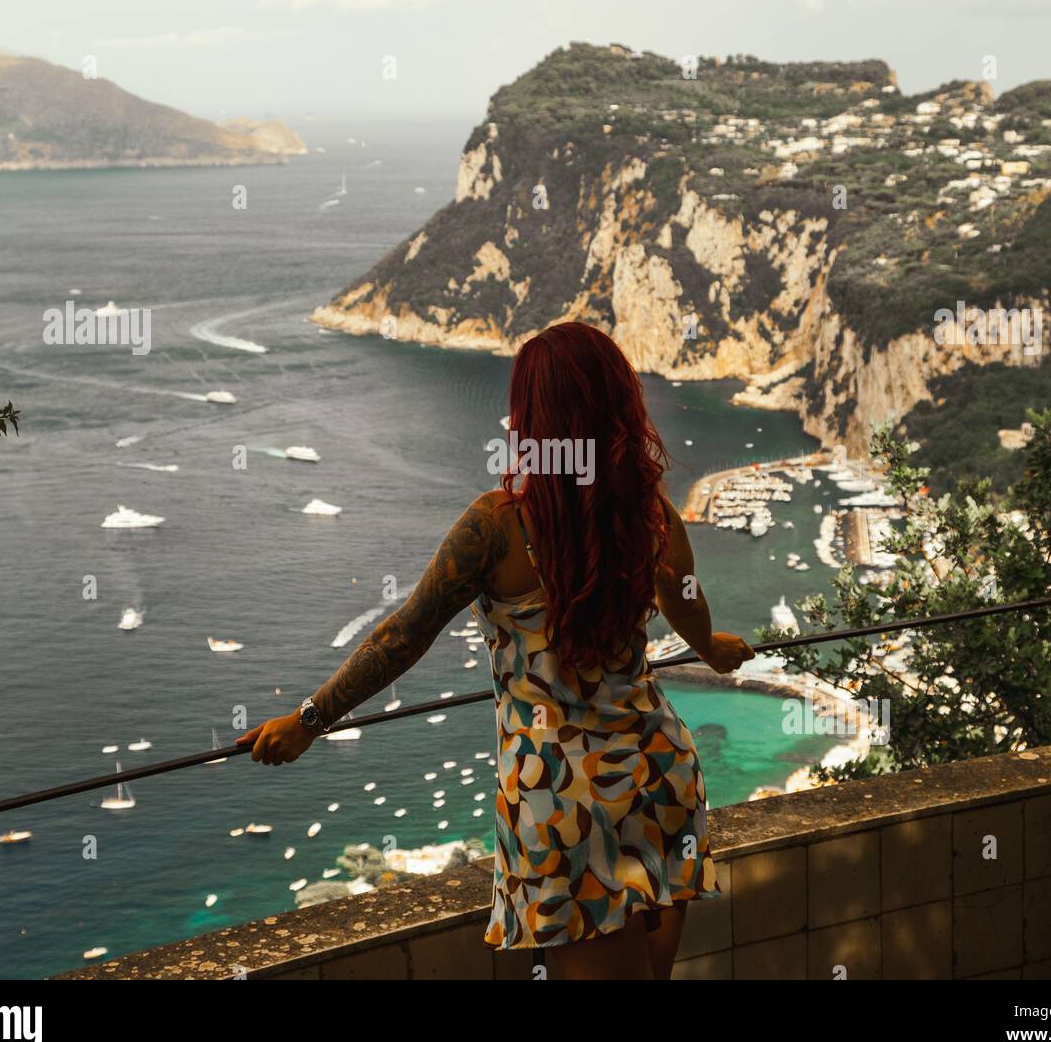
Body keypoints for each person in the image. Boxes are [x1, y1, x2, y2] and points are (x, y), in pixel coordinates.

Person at [241, 322, 754, 979]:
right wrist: (712, 651)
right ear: (619, 406)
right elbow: (688, 602)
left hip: (560, 797)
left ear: (534, 419)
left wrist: (309, 720)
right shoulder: (652, 517)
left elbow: (401, 635)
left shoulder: (495, 525)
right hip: (658, 773)